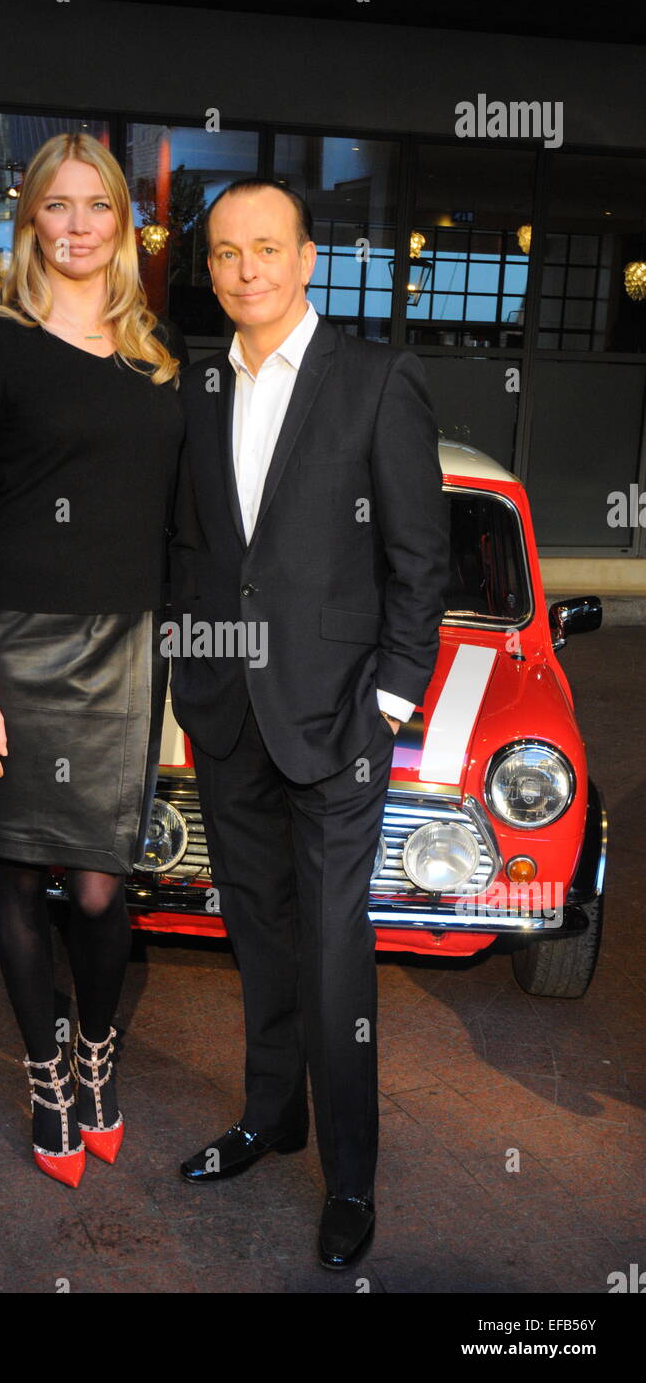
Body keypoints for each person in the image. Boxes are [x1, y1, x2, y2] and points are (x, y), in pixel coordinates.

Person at [168, 179, 449, 1267]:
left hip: (338, 723)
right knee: (260, 934)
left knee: (334, 954)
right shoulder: (196, 383)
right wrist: (191, 677)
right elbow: (194, 554)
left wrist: (383, 706)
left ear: (308, 257)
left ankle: (351, 1180)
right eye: (227, 252)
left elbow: (417, 563)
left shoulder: (376, 379)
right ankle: (266, 1116)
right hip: (227, 712)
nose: (246, 270)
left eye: (267, 248)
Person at [0, 132, 186, 1188]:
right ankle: (46, 1077)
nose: (78, 225)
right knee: (21, 866)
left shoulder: (157, 349)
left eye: (97, 206)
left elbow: (178, 520)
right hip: (16, 648)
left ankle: (96, 1053)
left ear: (122, 221)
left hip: (128, 646)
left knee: (98, 888)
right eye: (57, 205)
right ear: (28, 217)